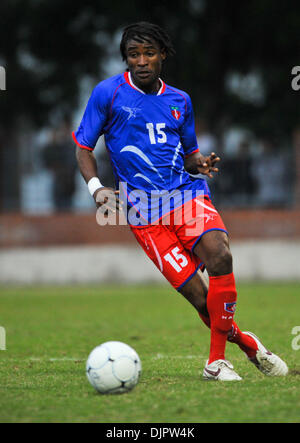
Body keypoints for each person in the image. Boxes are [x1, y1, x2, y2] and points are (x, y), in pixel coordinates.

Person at [73, 22, 288, 381]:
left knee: (220, 253)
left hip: (185, 196)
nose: (141, 61)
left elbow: (188, 154)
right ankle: (248, 344)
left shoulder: (180, 100)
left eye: (149, 53)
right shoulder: (107, 94)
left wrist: (199, 163)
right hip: (145, 214)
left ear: (163, 56)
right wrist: (97, 189)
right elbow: (83, 148)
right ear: (126, 59)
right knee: (203, 301)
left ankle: (215, 363)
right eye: (133, 55)